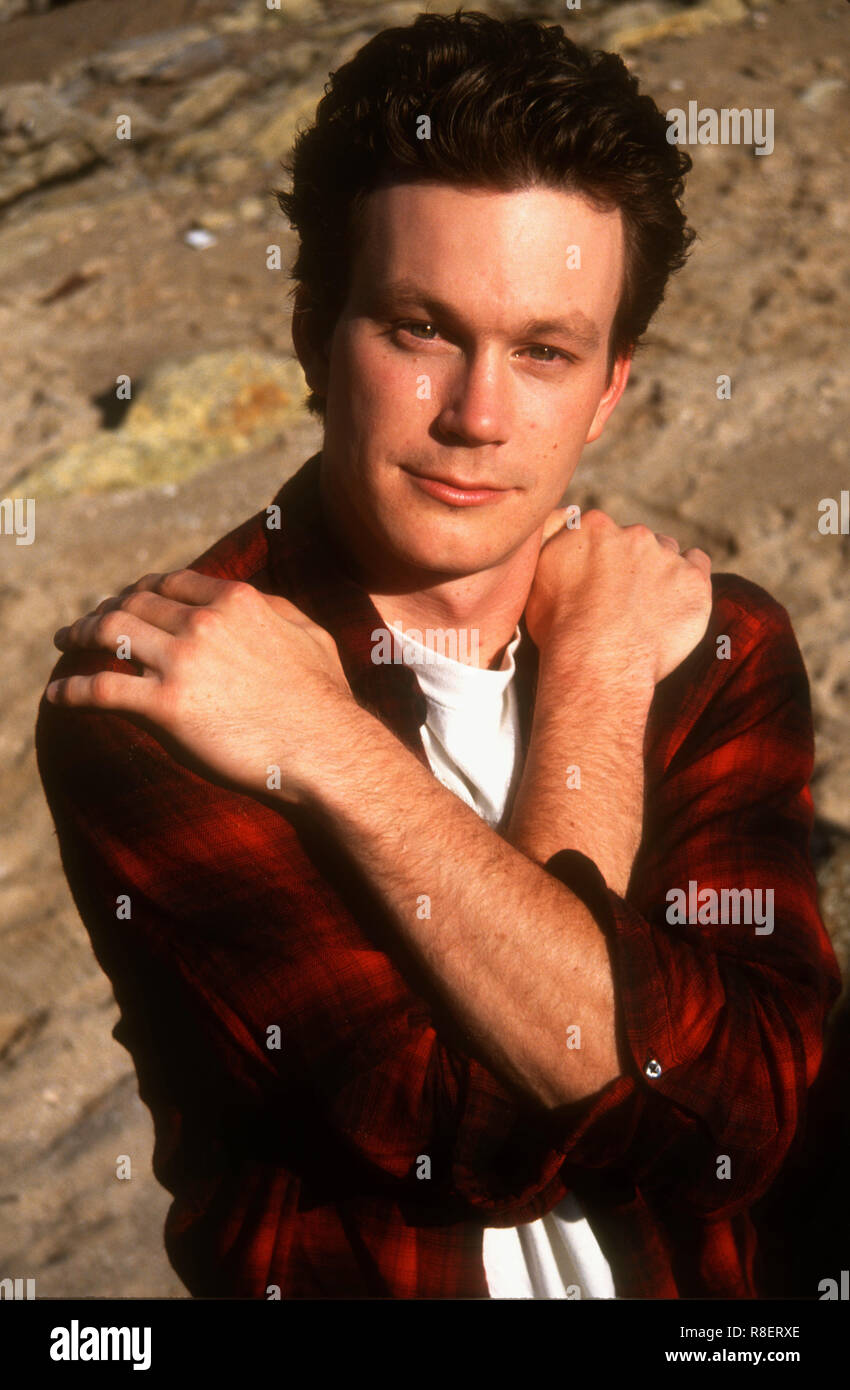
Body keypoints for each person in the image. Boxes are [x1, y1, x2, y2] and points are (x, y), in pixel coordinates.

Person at [35, 10, 840, 1299]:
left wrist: (363, 742)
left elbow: (745, 1125)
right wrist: (330, 731)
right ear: (312, 333)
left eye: (544, 353)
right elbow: (473, 1138)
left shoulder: (705, 640)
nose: (477, 415)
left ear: (612, 385)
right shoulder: (164, 681)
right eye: (420, 328)